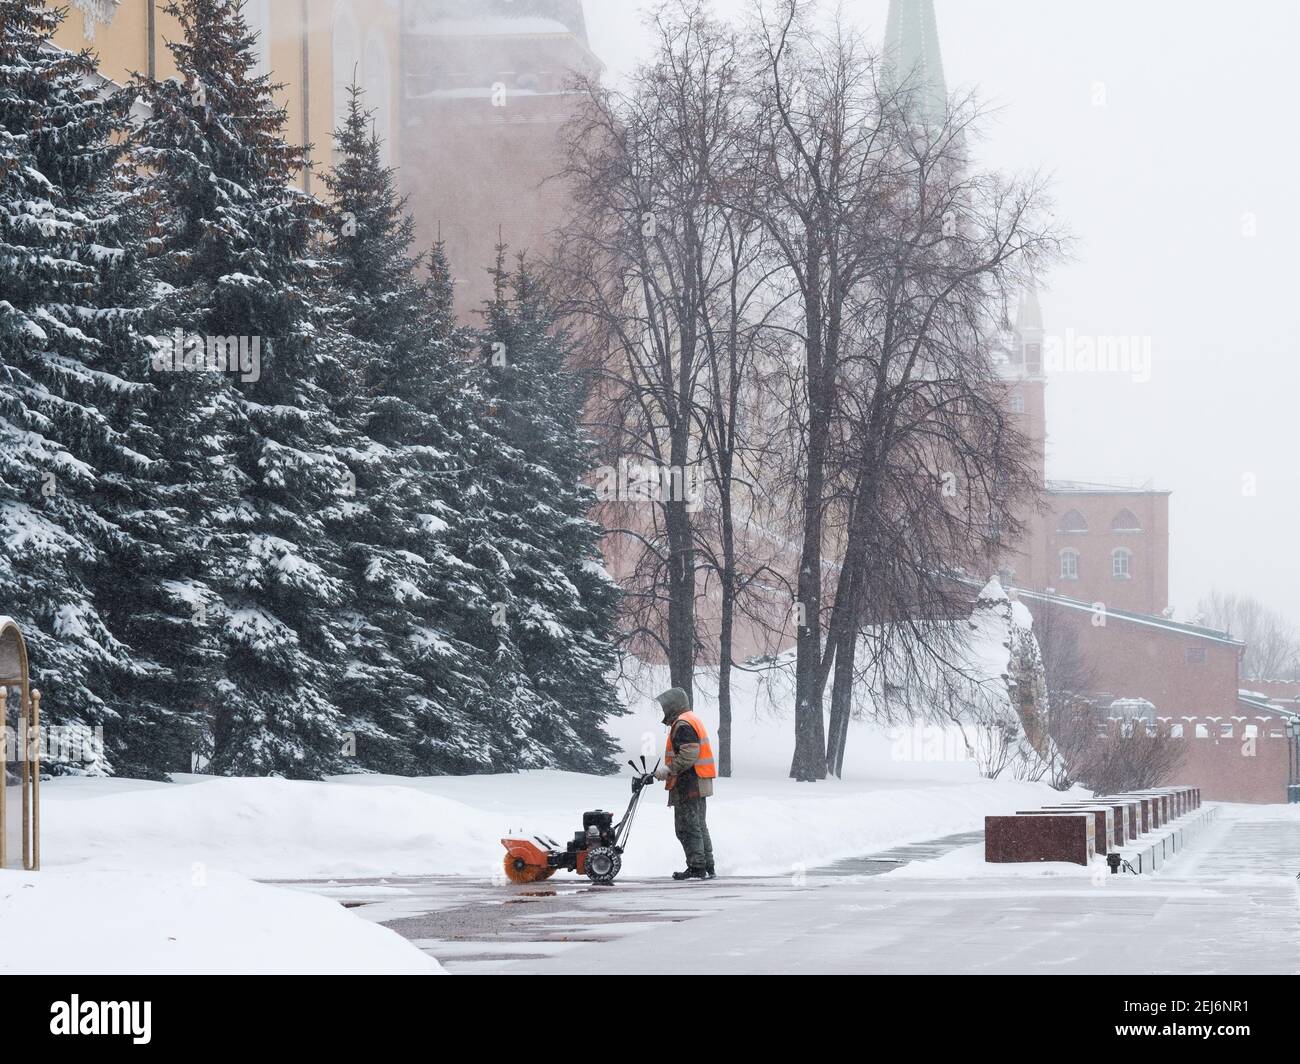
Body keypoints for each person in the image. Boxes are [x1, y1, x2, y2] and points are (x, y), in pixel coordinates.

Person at [653, 687, 717, 880]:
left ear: (673, 706)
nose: (663, 711)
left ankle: (697, 867)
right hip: (699, 780)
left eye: (665, 707)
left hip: (690, 783)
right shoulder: (691, 719)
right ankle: (707, 866)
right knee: (698, 825)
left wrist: (668, 769)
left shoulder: (682, 724)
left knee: (687, 827)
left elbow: (689, 753)